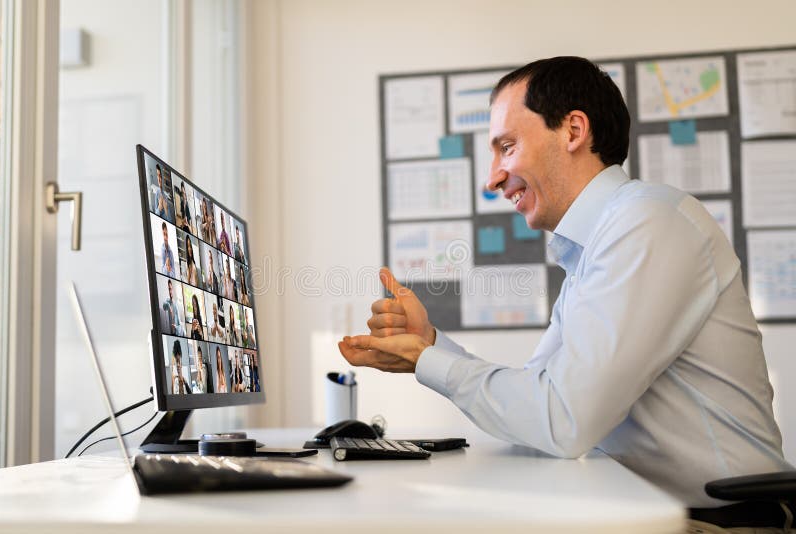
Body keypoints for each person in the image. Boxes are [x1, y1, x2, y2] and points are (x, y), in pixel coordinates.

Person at [338, 56, 792, 521]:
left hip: (726, 524)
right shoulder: (593, 247)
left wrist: (427, 360)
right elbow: (537, 410)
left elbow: (562, 420)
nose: (492, 177)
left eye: (507, 147)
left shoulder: (647, 222)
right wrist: (431, 344)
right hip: (658, 515)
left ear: (573, 131)